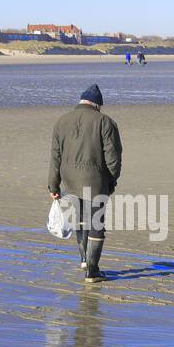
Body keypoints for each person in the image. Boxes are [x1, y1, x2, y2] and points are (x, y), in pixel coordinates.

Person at [47, 84, 123, 283]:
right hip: (96, 180)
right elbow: (113, 158)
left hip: (69, 180)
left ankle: (83, 259)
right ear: (97, 105)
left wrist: (53, 186)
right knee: (96, 223)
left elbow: (55, 156)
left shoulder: (61, 121)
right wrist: (112, 180)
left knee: (80, 219)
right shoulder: (105, 122)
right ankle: (92, 270)